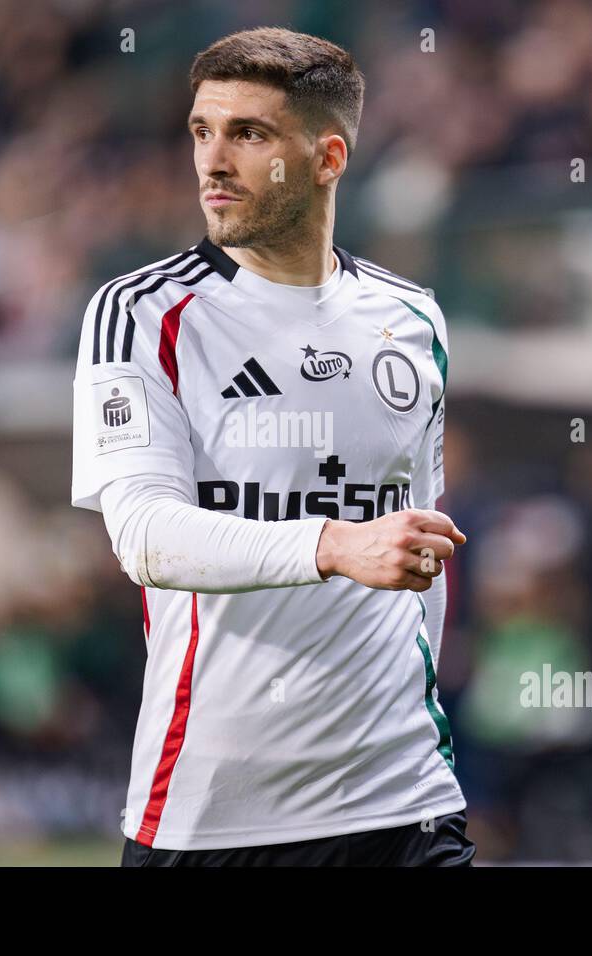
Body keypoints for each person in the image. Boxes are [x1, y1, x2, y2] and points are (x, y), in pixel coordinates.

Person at [71, 27, 472, 866]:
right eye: (201, 131)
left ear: (328, 159)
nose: (214, 161)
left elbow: (420, 552)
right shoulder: (141, 315)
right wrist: (333, 544)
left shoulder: (414, 320)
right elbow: (145, 537)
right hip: (215, 818)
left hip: (404, 803)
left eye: (249, 134)